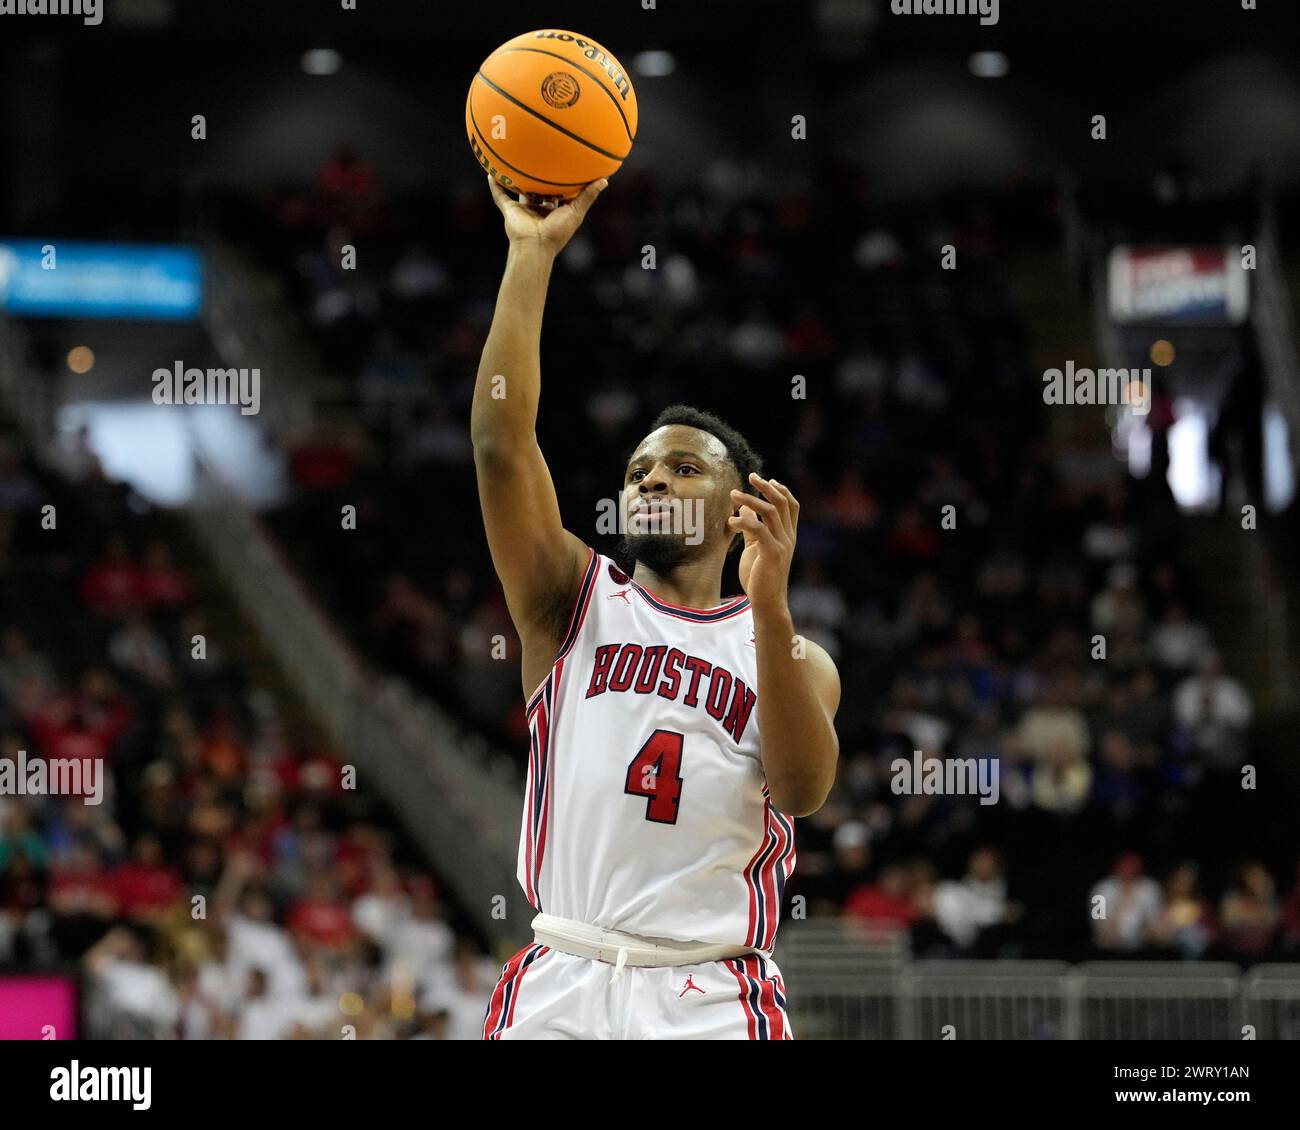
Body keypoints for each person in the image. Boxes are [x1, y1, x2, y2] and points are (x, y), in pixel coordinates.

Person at [472, 177, 840, 1040]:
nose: (652, 480)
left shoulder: (790, 655)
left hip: (709, 993)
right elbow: (498, 444)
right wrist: (531, 255)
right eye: (639, 469)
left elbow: (803, 788)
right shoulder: (572, 598)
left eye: (682, 468)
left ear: (738, 508)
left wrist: (773, 608)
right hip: (563, 975)